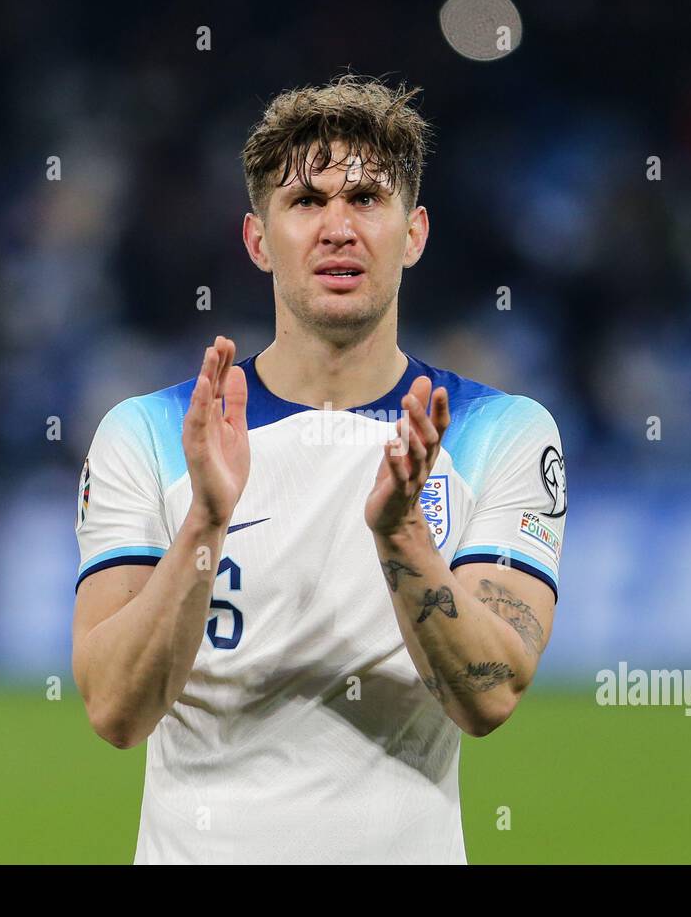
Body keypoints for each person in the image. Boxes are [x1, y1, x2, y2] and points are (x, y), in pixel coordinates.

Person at [72, 74, 566, 863]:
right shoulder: (155, 435)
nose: (339, 228)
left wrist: (402, 534)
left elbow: (489, 693)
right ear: (258, 239)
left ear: (415, 233)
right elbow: (115, 712)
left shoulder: (497, 432)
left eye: (367, 199)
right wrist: (204, 523)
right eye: (306, 203)